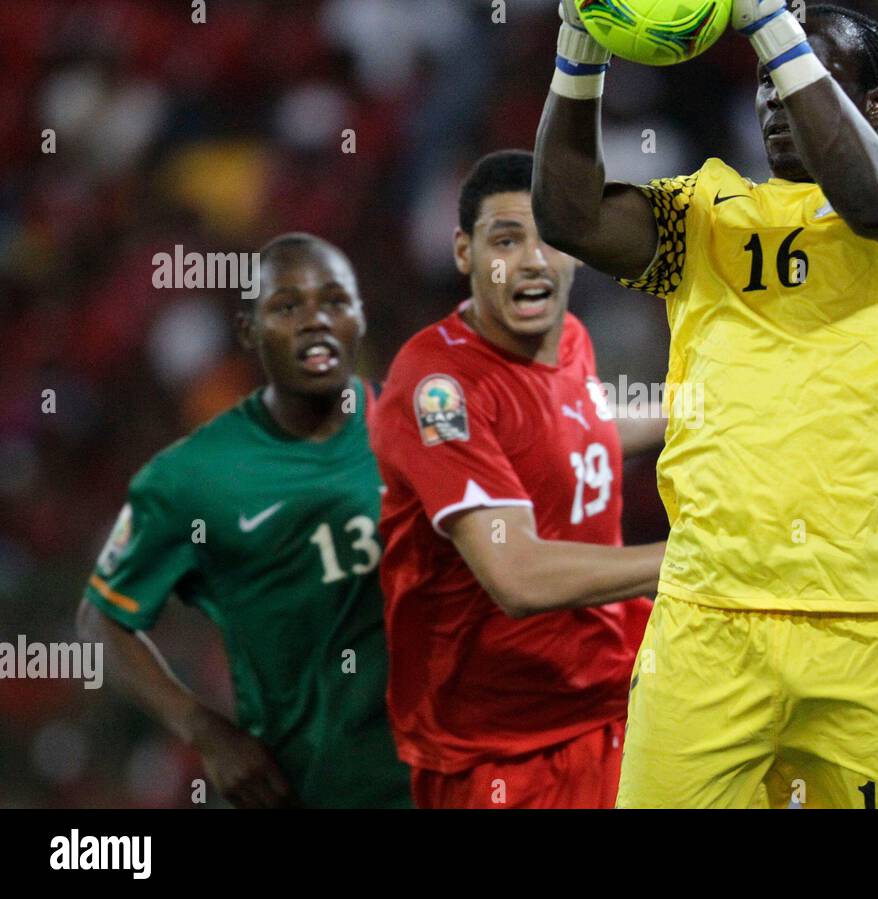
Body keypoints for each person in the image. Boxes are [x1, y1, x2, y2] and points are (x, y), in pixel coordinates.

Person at [533, 2, 878, 808]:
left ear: (874, 106)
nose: (776, 97)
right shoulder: (700, 209)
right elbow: (568, 216)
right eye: (766, 82)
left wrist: (773, 25)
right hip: (708, 614)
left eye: (802, 75)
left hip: (872, 616)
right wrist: (578, 44)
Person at [369, 150, 663, 809]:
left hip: (614, 699)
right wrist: (698, 560)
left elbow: (570, 426)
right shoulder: (438, 388)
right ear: (463, 253)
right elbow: (518, 575)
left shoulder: (570, 340)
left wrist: (694, 413)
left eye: (551, 236)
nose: (532, 259)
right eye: (506, 240)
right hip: (504, 754)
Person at [78, 233, 410, 808]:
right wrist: (202, 727)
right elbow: (99, 621)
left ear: (359, 318)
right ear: (249, 332)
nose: (315, 322)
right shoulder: (193, 476)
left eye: (334, 301)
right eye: (287, 306)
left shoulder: (425, 432)